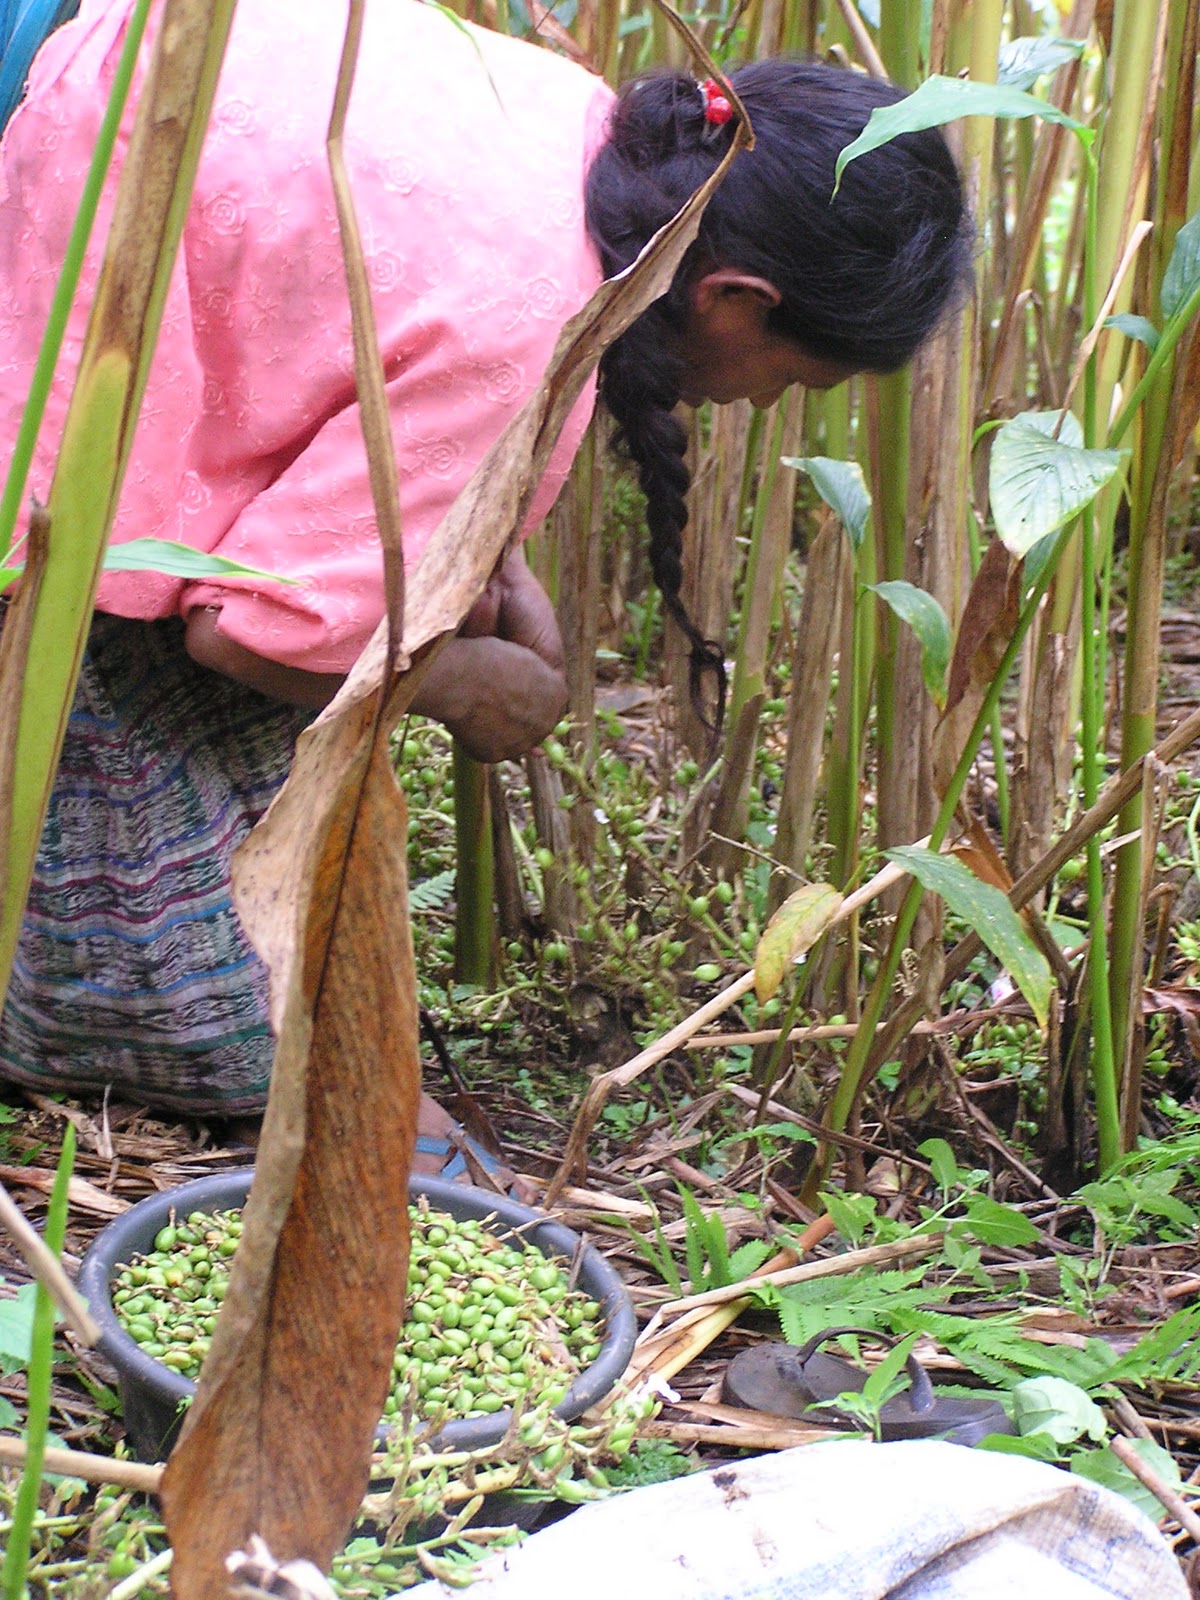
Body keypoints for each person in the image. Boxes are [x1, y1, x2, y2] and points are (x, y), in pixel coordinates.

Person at [0, 0, 969, 1159]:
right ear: (736, 298)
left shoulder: (585, 128)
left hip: (95, 71)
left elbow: (362, 330)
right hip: (55, 142)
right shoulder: (533, 320)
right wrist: (461, 682)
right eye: (792, 380)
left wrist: (481, 547)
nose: (763, 407)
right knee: (202, 982)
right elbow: (239, 638)